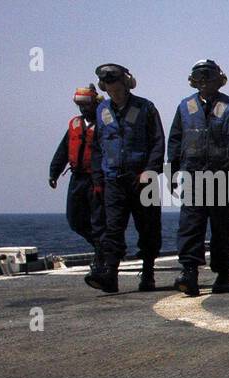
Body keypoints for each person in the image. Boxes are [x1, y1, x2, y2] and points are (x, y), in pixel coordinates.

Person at [168, 60, 229, 296]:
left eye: (209, 78)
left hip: (223, 175)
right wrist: (172, 172)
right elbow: (175, 140)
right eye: (200, 79)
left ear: (219, 80)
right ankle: (189, 272)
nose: (205, 83)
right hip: (193, 175)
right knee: (190, 225)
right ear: (194, 81)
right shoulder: (185, 108)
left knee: (221, 227)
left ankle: (224, 273)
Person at [86, 63, 165, 293]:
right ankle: (110, 274)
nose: (113, 90)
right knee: (113, 230)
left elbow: (157, 142)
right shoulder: (102, 112)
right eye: (109, 86)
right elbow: (98, 147)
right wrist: (98, 178)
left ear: (126, 83)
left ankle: (148, 273)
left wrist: (149, 171)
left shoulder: (145, 108)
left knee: (148, 228)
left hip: (142, 179)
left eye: (116, 84)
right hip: (113, 180)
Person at [48, 85, 105, 275]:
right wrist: (54, 172)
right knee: (75, 220)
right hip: (77, 178)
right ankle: (101, 247)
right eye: (79, 104)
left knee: (98, 221)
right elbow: (63, 150)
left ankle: (101, 255)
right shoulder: (74, 125)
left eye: (86, 103)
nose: (82, 108)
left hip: (97, 178)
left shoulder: (105, 123)